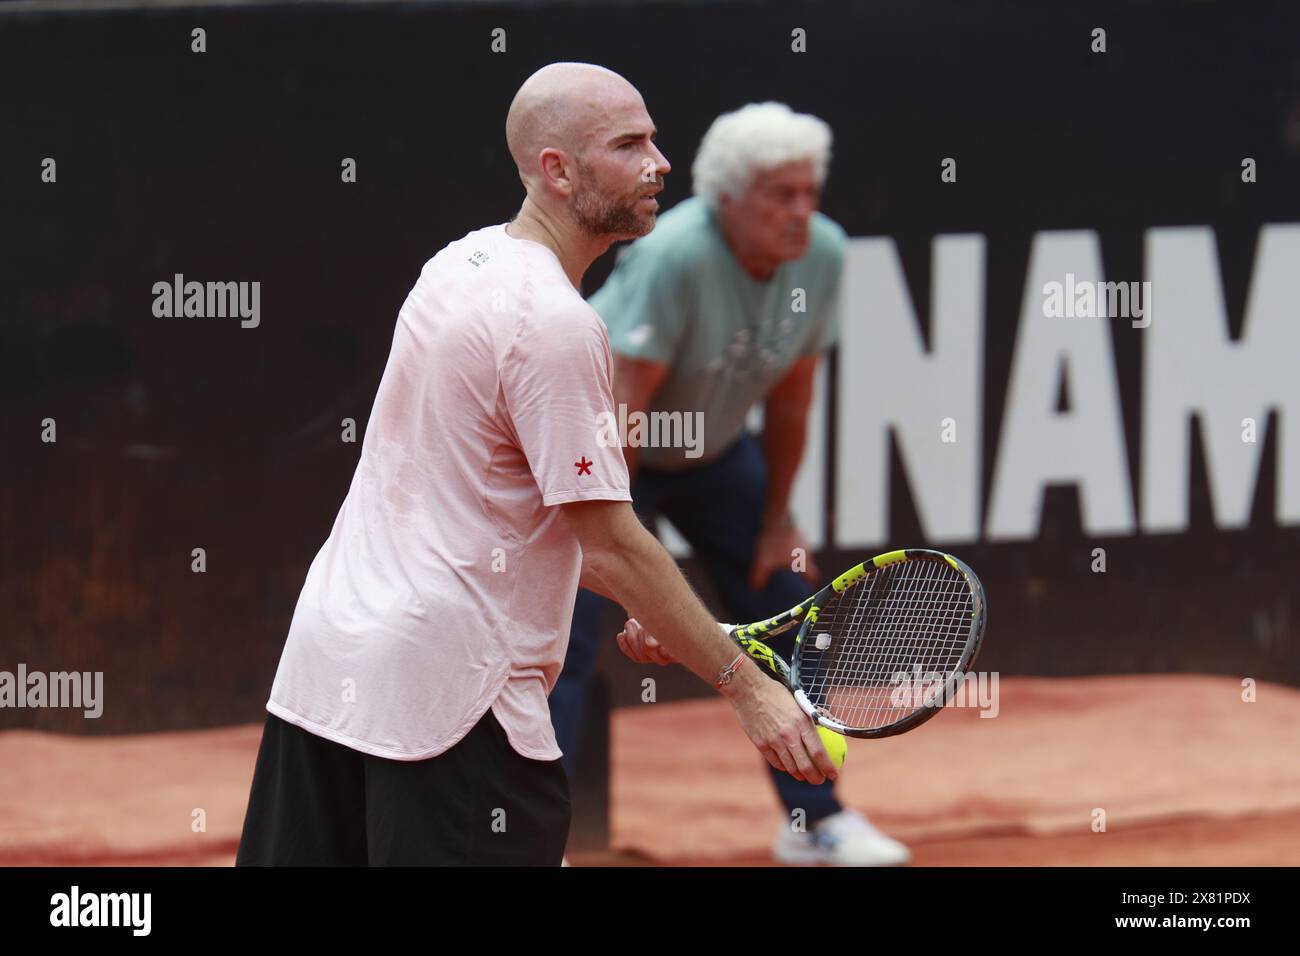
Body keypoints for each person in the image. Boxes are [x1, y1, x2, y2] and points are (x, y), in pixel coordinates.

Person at [235, 64, 836, 867]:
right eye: (629, 144)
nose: (660, 163)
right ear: (557, 170)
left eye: (654, 138)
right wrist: (749, 687)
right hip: (454, 697)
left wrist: (670, 618)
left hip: (331, 667)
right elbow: (612, 543)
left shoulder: (456, 266)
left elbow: (493, 513)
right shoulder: (558, 325)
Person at [550, 102, 910, 866]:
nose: (801, 212)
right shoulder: (676, 255)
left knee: (789, 611)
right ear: (728, 201)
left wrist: (778, 519)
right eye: (781, 195)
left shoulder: (825, 255)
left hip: (716, 454)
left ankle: (817, 823)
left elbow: (793, 396)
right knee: (564, 643)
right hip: (615, 451)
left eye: (810, 192)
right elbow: (623, 413)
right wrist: (634, 573)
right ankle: (531, 840)